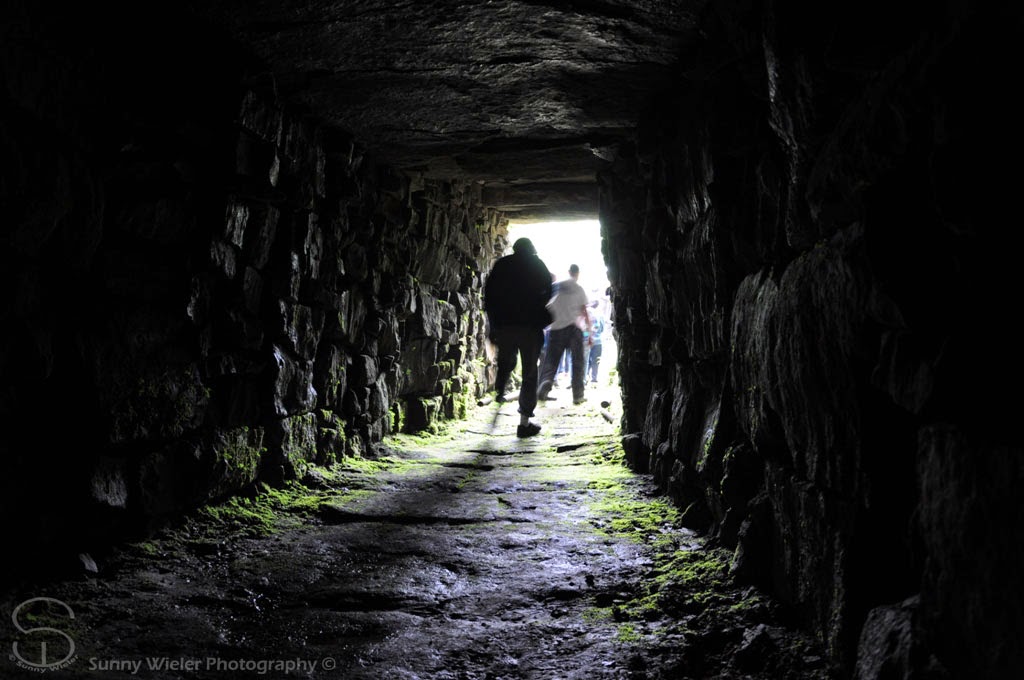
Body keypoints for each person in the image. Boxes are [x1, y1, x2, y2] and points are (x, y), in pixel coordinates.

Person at [483, 237, 553, 437]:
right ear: (532, 249)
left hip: (505, 326)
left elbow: (489, 297)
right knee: (530, 372)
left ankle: (500, 389)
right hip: (530, 328)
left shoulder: (502, 265)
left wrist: (494, 324)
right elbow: (547, 292)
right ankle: (524, 422)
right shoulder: (537, 265)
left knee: (506, 361)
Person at [537, 264, 590, 405]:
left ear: (568, 272)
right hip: (574, 328)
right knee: (578, 362)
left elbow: (546, 304)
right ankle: (578, 395)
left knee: (551, 360)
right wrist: (589, 332)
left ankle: (545, 383)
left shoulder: (557, 286)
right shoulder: (579, 289)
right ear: (577, 273)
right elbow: (584, 311)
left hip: (557, 328)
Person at [586, 299, 605, 383]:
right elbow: (602, 329)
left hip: (588, 341)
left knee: (587, 361)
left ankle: (585, 377)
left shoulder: (587, 313)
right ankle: (594, 378)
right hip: (598, 341)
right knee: (596, 361)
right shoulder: (600, 315)